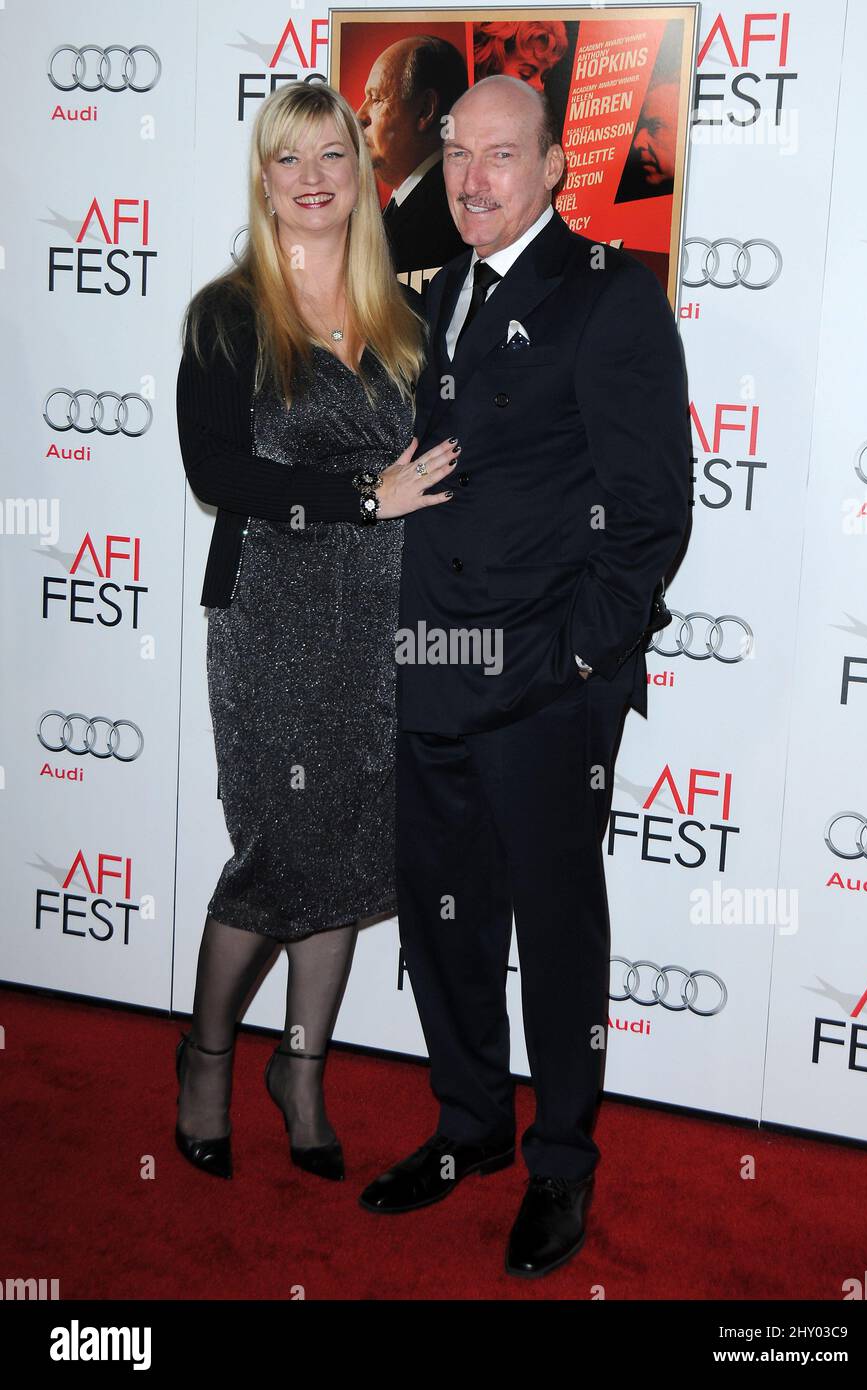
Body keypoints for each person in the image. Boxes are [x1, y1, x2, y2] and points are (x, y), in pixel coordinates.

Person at [358, 75, 690, 1277]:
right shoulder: (436, 290)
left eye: (502, 155)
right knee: (446, 918)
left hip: (546, 685)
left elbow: (650, 513)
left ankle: (560, 1162)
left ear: (554, 167)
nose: (472, 177)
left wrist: (578, 658)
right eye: (456, 152)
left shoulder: (610, 298)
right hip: (431, 663)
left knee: (553, 931)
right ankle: (468, 1126)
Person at [174, 81, 457, 1182]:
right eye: (287, 160)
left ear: (362, 171)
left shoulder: (407, 316)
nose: (311, 180)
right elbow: (217, 473)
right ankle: (206, 1059)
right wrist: (357, 500)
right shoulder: (228, 312)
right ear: (264, 179)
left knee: (345, 848)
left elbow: (437, 465)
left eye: (331, 156)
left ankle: (300, 1066)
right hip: (272, 616)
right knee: (276, 850)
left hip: (379, 621)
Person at [357, 35, 468, 275]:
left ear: (425, 110)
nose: (360, 116)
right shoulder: (405, 205)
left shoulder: (444, 219)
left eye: (376, 99)